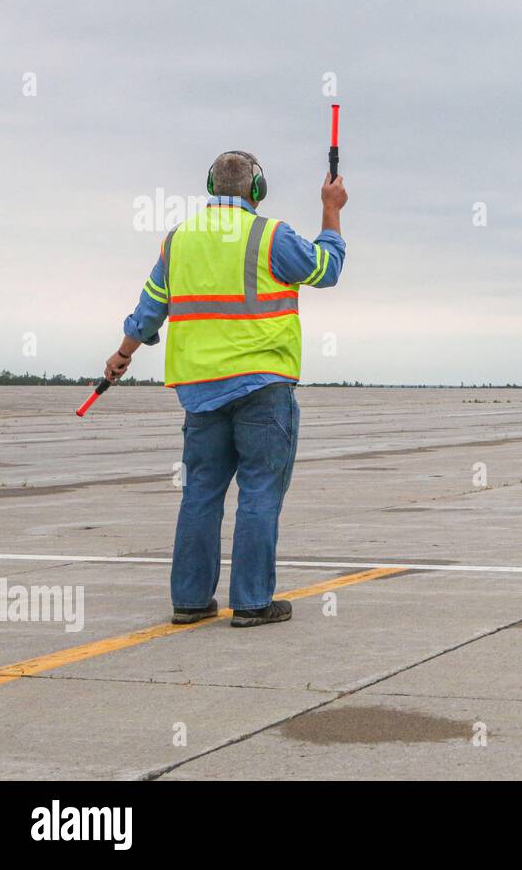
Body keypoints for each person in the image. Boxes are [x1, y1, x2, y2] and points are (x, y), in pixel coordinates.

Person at [104, 151, 347, 627]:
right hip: (262, 385)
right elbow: (326, 270)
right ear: (256, 191)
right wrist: (331, 208)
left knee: (201, 492)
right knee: (259, 492)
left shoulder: (178, 242)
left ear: (210, 187)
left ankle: (190, 601)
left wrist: (123, 354)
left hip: (199, 391)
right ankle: (253, 602)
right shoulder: (269, 235)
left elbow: (149, 310)